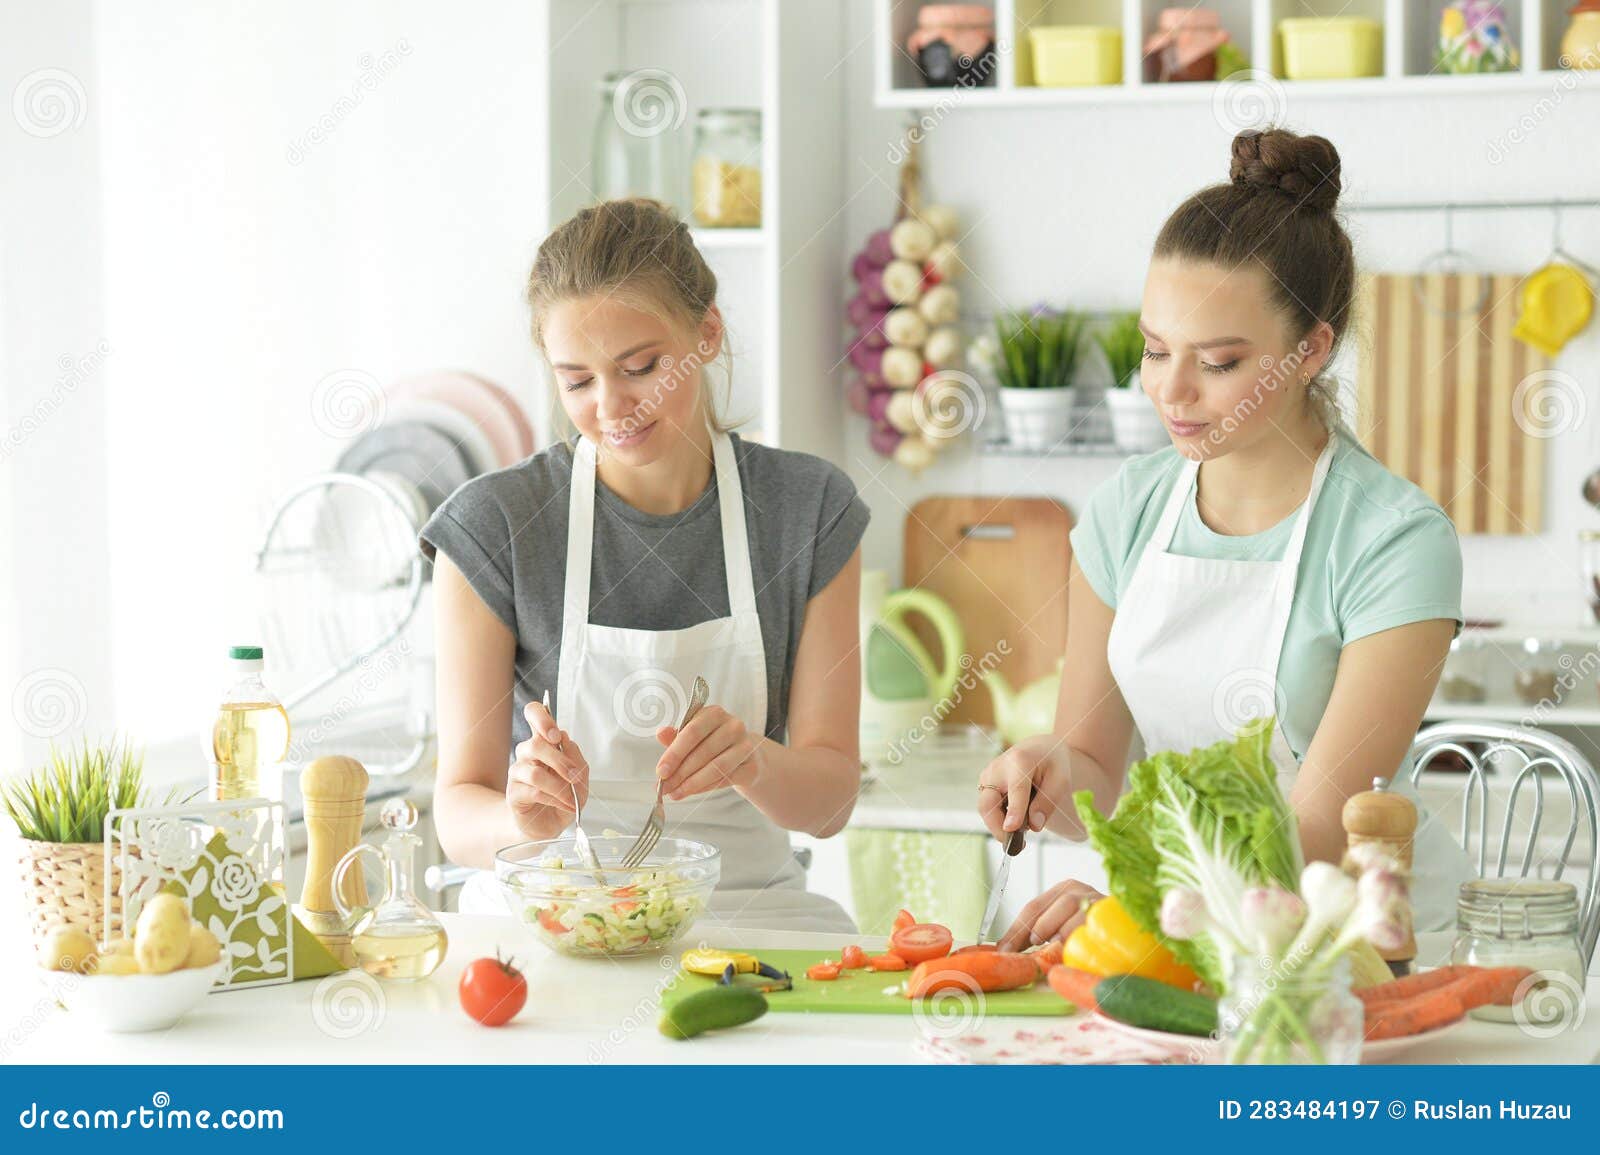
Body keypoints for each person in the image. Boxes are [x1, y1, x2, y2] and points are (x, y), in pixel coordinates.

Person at [980, 128, 1471, 950]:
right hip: (1191, 934)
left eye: (1217, 362)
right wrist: (1041, 769)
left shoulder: (1395, 543)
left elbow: (1320, 831)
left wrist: (1137, 911)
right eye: (1155, 349)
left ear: (1310, 349)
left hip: (1364, 950)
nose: (1170, 390)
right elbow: (1095, 768)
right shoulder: (1124, 511)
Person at [423, 198, 867, 931]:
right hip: (550, 915)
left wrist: (753, 761)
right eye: (577, 381)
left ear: (707, 333)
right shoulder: (493, 524)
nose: (611, 406)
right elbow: (457, 807)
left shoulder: (808, 509)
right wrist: (520, 821)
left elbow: (831, 804)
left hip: (751, 915)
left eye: (640, 367)